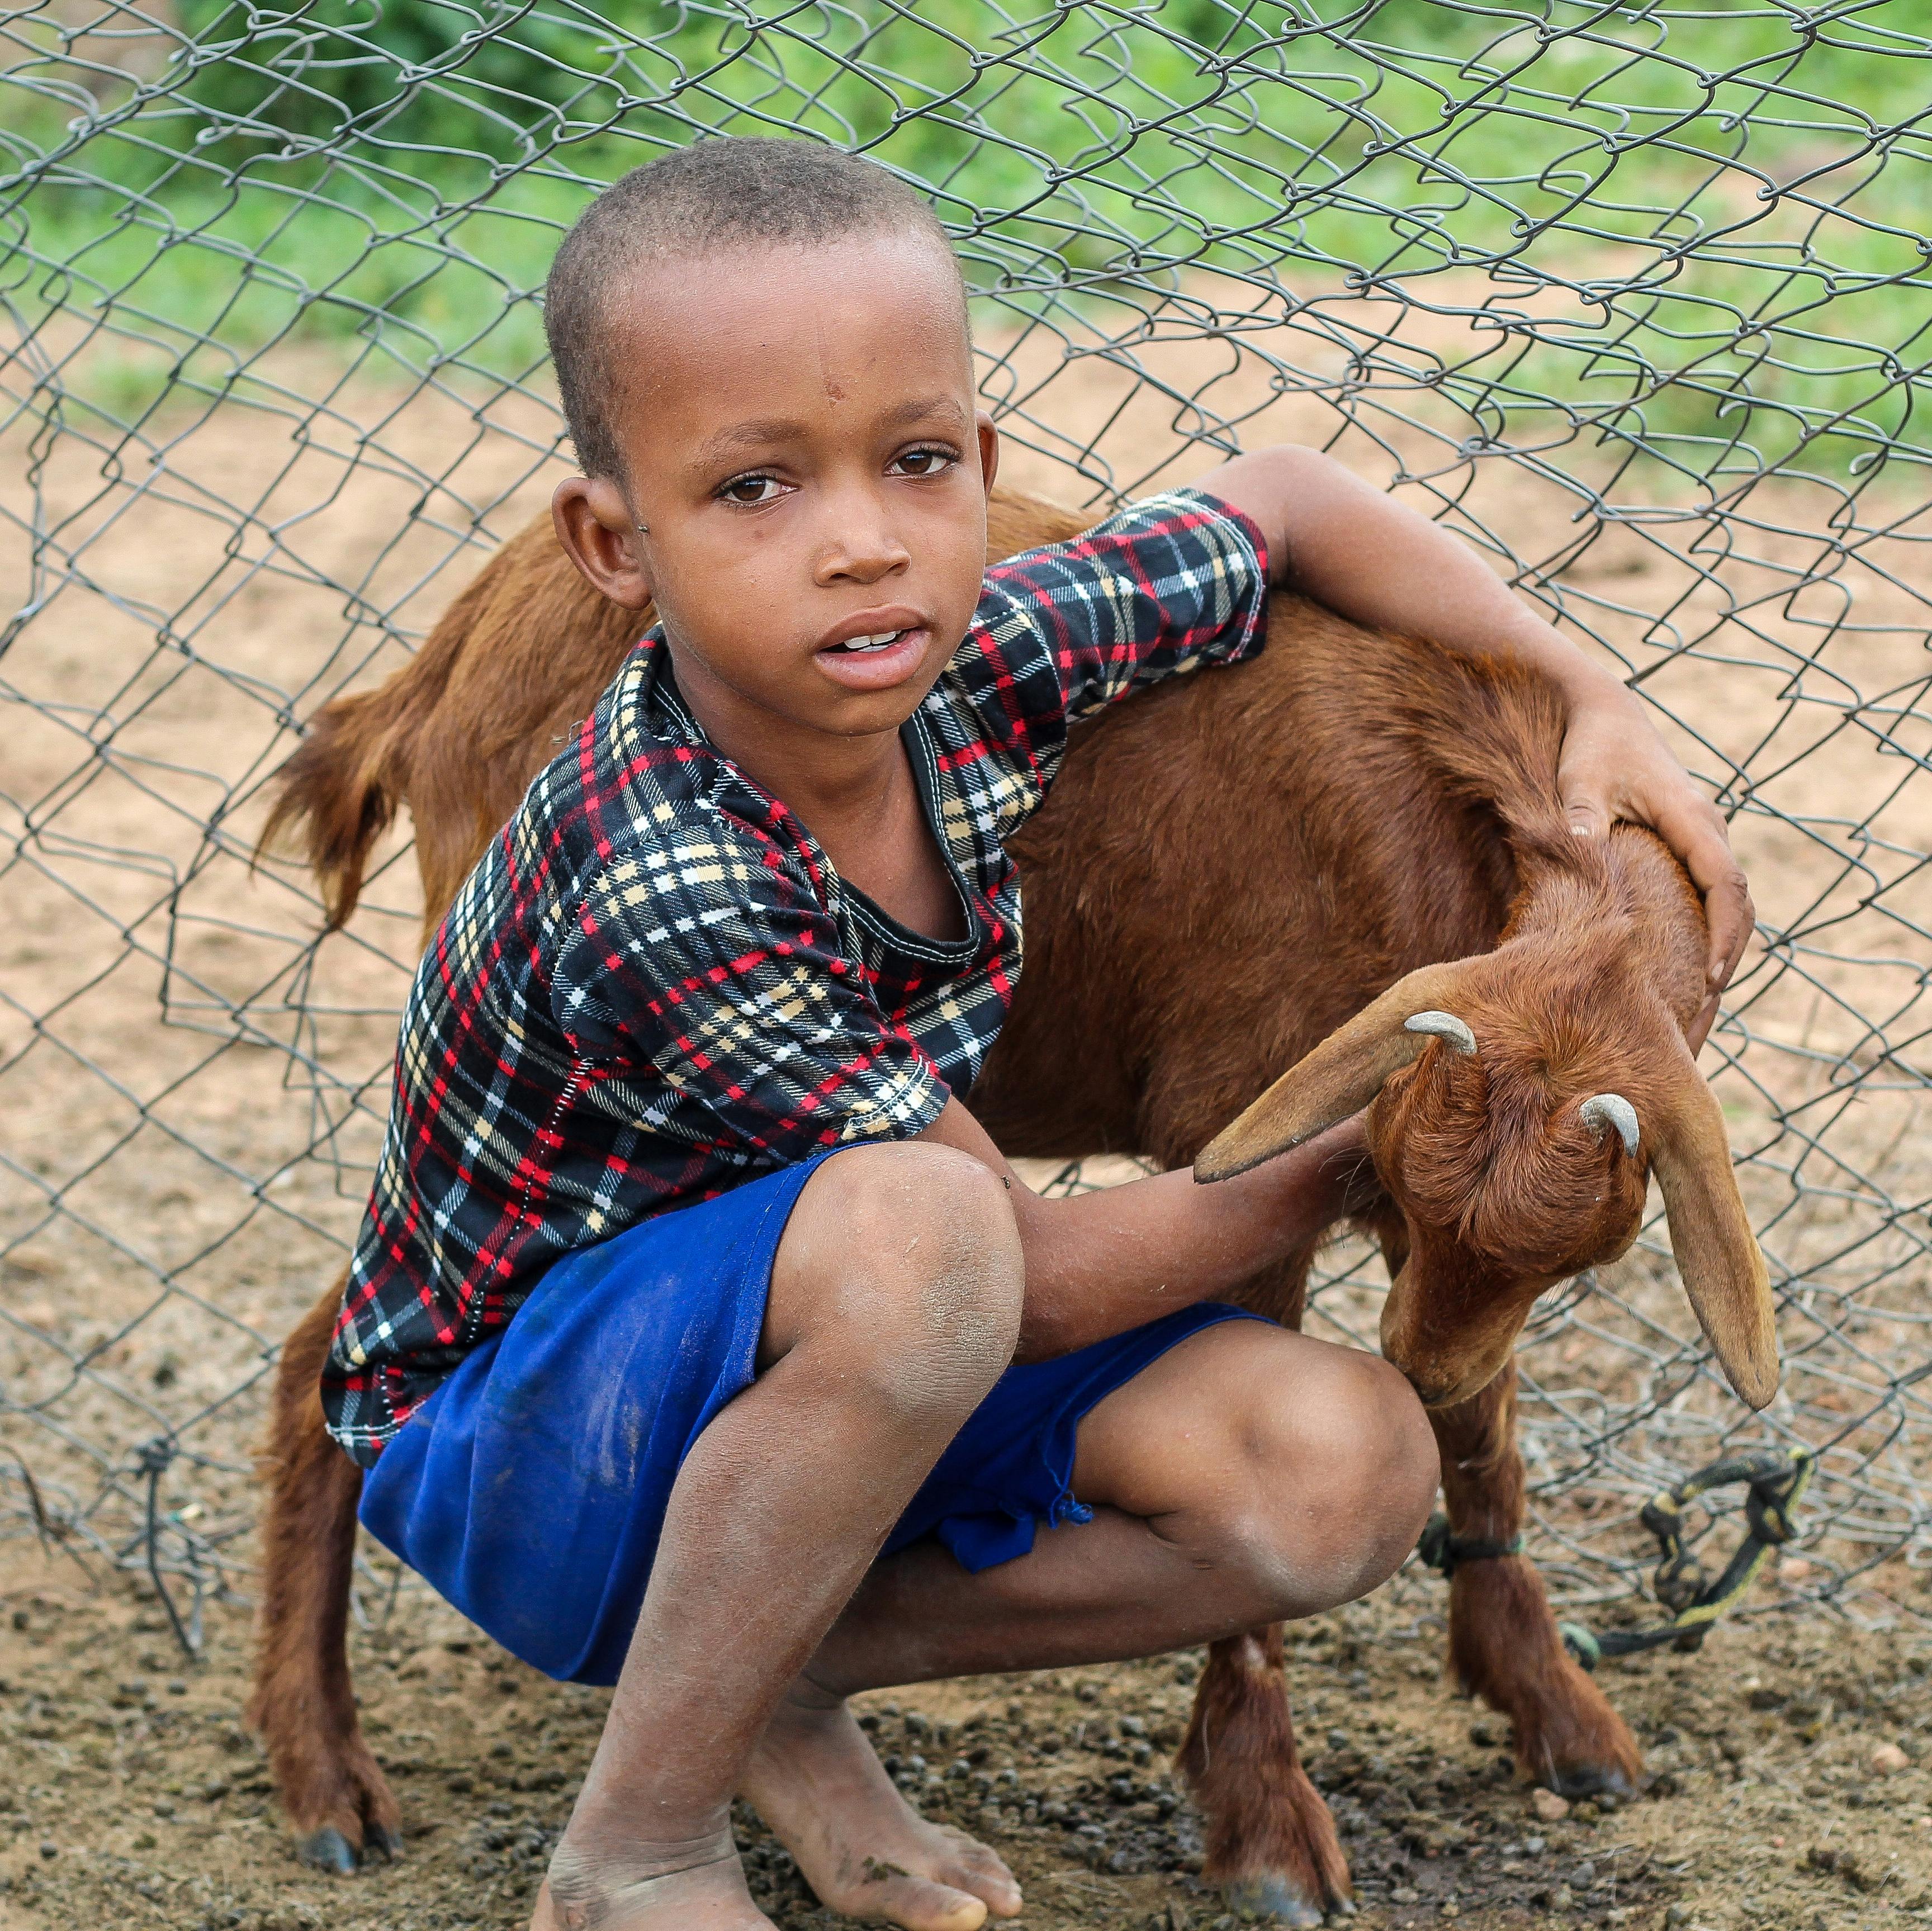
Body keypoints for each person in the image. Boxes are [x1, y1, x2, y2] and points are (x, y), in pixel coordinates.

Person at [323, 139, 1754, 1931]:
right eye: (756, 486)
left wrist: (1586, 688)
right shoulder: (666, 869)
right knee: (931, 1235)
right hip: (519, 1431)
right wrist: (1386, 1135)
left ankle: (761, 1674)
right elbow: (1035, 1285)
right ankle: (634, 1849)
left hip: (798, 1406)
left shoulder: (984, 653)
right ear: (617, 545)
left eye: (916, 462)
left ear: (985, 482)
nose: (860, 538)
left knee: (1345, 1471)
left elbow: (1291, 500)